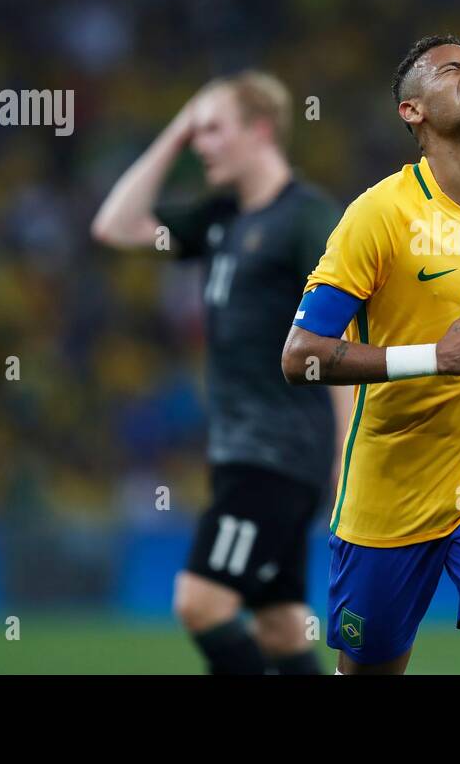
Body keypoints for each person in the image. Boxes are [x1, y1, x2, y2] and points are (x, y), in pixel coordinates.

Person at [282, 35, 460, 675]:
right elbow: (301, 357)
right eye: (451, 69)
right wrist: (430, 357)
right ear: (414, 112)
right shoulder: (377, 216)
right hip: (391, 495)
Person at [92, 71, 348, 674]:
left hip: (279, 457)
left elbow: (345, 341)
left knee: (200, 602)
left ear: (260, 131)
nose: (200, 144)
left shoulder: (305, 220)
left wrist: (345, 456)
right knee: (281, 626)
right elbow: (117, 226)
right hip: (243, 454)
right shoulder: (219, 221)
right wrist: (177, 130)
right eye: (196, 131)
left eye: (213, 129)